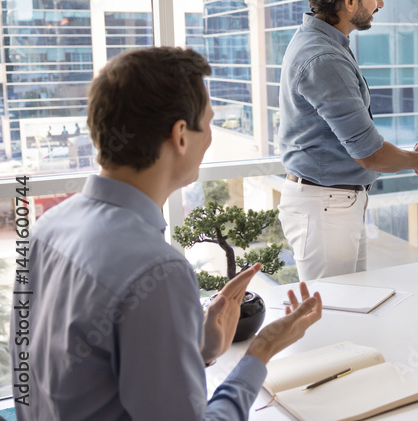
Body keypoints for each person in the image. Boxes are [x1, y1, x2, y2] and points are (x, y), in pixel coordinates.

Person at [12, 47, 324, 420]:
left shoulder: (47, 228)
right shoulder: (155, 270)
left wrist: (200, 346)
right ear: (180, 135)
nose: (210, 137)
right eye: (208, 123)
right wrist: (261, 351)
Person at [278, 0, 418, 280]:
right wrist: (416, 160)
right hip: (326, 206)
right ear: (350, 0)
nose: (380, 3)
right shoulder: (325, 58)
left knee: (346, 308)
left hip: (332, 202)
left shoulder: (321, 42)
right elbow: (370, 155)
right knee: (329, 314)